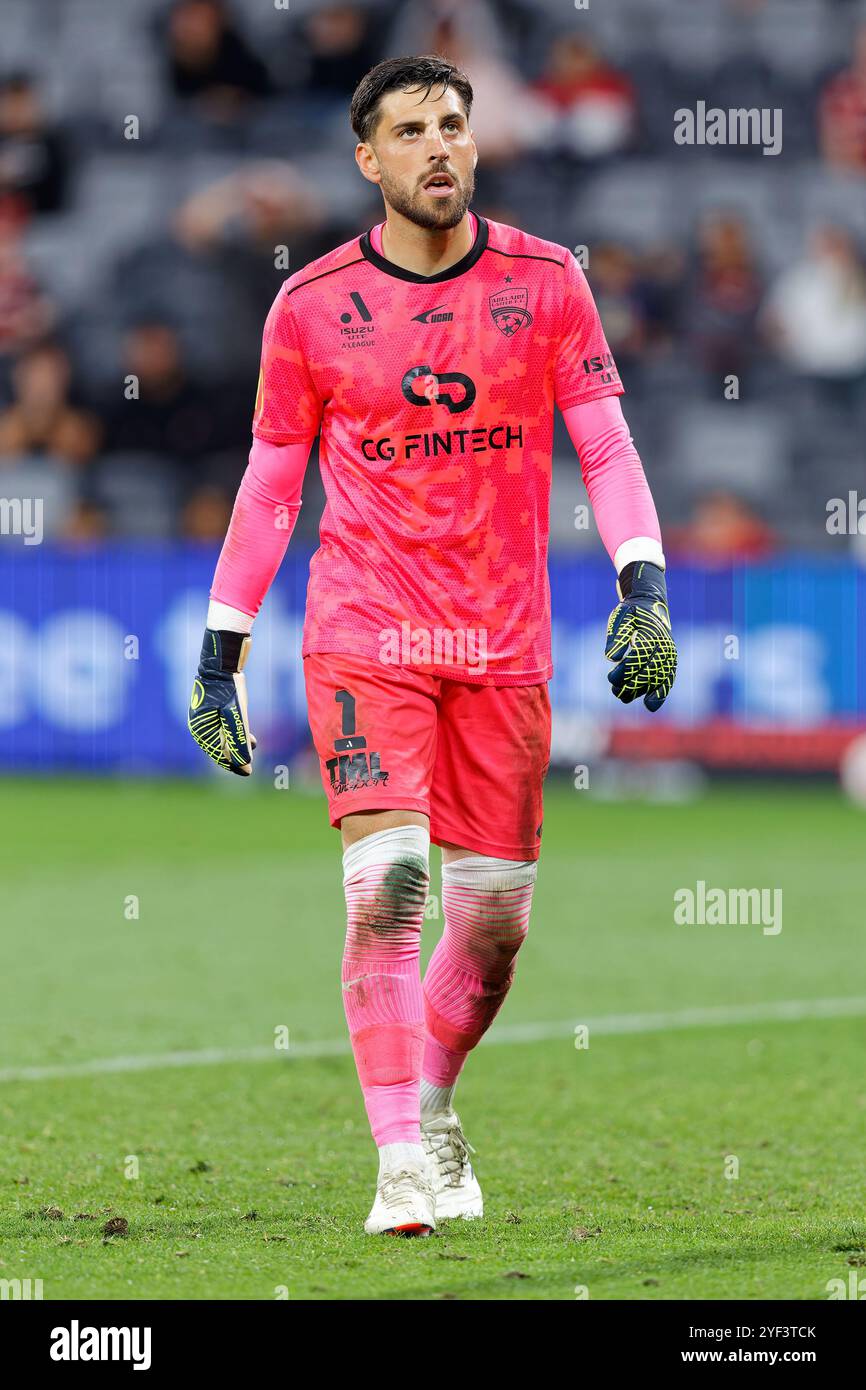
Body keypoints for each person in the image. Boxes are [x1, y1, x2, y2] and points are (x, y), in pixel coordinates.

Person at [186, 54, 677, 1237]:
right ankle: (398, 1161)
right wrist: (220, 650)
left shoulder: (548, 281)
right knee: (390, 888)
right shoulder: (307, 305)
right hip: (365, 628)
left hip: (501, 641)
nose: (439, 146)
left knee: (494, 924)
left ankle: (435, 1100)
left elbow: (604, 451)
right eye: (410, 131)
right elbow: (267, 486)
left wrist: (643, 586)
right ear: (369, 159)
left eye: (452, 125)